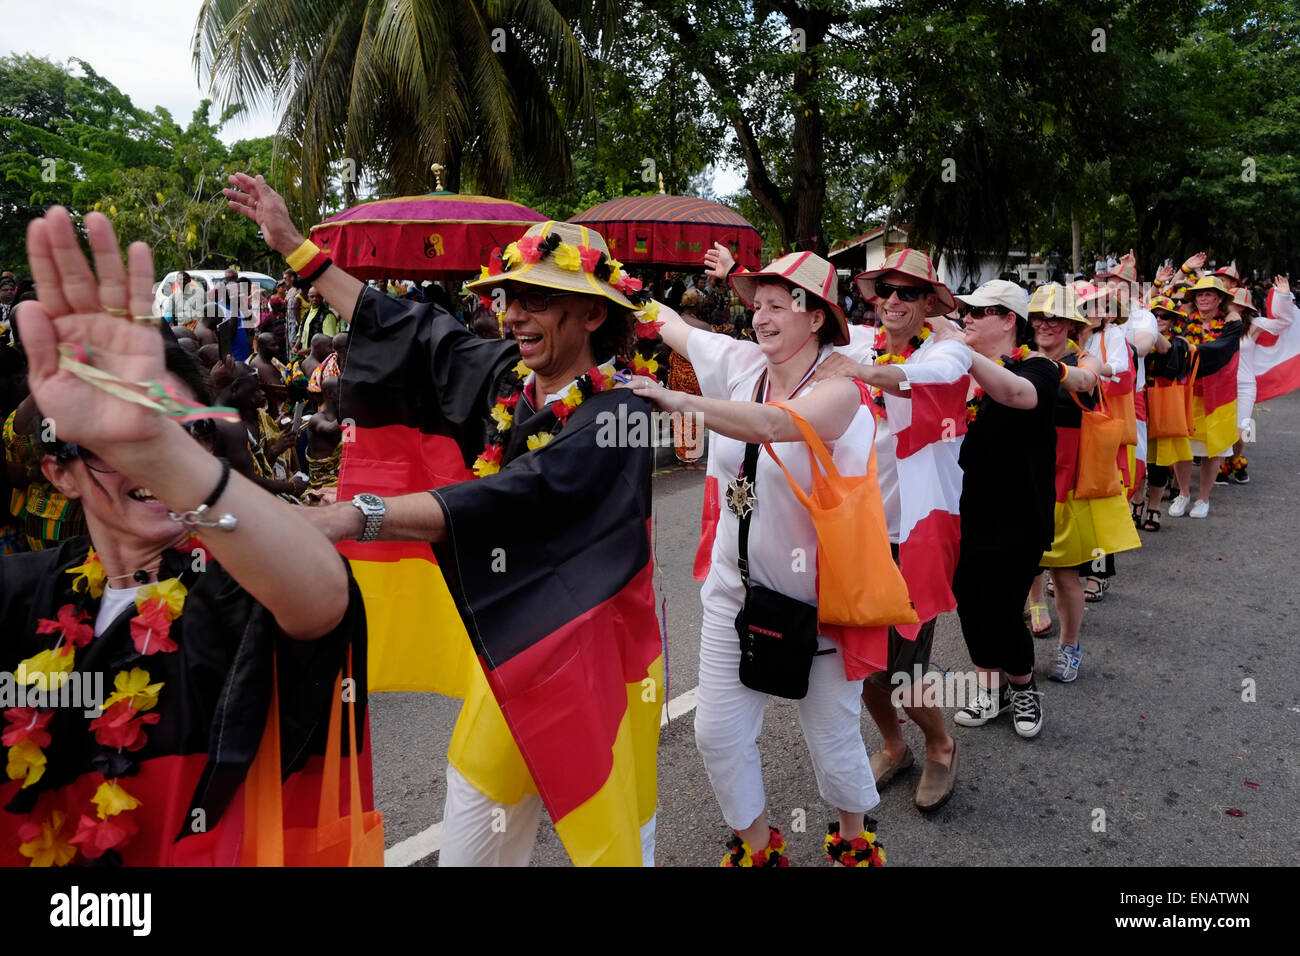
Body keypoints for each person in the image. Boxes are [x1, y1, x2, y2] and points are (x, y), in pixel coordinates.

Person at [225, 171, 663, 868]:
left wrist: (355, 516)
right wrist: (294, 248)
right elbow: (411, 332)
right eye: (510, 297)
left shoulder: (625, 415)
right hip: (517, 651)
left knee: (612, 836)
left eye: (539, 299)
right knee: (472, 831)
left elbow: (519, 496)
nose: (515, 314)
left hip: (600, 660)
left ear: (591, 315)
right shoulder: (507, 384)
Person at [0, 207, 367, 866]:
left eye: (180, 430)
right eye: (112, 445)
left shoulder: (236, 592)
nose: (146, 464)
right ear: (60, 472)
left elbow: (323, 597)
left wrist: (153, 448)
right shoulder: (21, 595)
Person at [633, 250, 890, 866]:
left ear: (817, 319)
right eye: (758, 304)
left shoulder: (843, 388)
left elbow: (776, 425)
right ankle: (758, 849)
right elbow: (670, 324)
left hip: (821, 601)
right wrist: (604, 279)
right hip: (735, 593)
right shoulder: (741, 362)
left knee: (830, 739)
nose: (762, 316)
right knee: (717, 734)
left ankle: (853, 841)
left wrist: (679, 402)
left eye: (780, 305)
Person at [811, 249, 970, 812]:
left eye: (907, 292)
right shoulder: (857, 342)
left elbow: (932, 377)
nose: (893, 301)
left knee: (900, 668)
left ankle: (941, 744)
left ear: (929, 302)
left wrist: (865, 372)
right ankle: (893, 744)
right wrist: (742, 280)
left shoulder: (948, 351)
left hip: (917, 536)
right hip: (856, 532)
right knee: (855, 657)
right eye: (885, 291)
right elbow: (797, 322)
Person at [941, 280, 1056, 737]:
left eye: (979, 311)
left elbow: (1017, 396)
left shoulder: (1039, 367)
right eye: (964, 310)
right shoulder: (954, 370)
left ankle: (1024, 687)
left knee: (1004, 608)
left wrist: (960, 351)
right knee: (970, 604)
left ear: (1009, 319)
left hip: (1019, 516)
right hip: (962, 512)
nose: (966, 318)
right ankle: (991, 688)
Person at [1024, 284, 1140, 682]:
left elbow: (1088, 380)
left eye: (1054, 317)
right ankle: (1034, 605)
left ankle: (1070, 645)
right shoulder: (1018, 357)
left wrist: (1076, 369)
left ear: (1071, 324)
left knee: (1066, 574)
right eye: (1039, 316)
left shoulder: (1083, 358)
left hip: (1067, 480)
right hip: (1025, 473)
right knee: (1024, 563)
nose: (1045, 324)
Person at [1165, 275, 1242, 518]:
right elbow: (1160, 311)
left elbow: (1223, 350)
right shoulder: (1183, 323)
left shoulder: (1232, 323)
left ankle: (1203, 498)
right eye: (1199, 294)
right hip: (1186, 393)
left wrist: (1194, 349)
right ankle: (1184, 493)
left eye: (1209, 294)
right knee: (1182, 446)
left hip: (1218, 395)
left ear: (1220, 298)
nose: (1204, 298)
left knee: (1213, 448)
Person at [297, 287, 339, 353]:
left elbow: (328, 342)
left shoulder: (328, 316)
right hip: (305, 356)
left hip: (318, 358)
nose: (315, 299)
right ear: (308, 298)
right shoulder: (307, 313)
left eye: (318, 296)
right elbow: (301, 333)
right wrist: (296, 347)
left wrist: (306, 351)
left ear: (322, 298)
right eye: (312, 296)